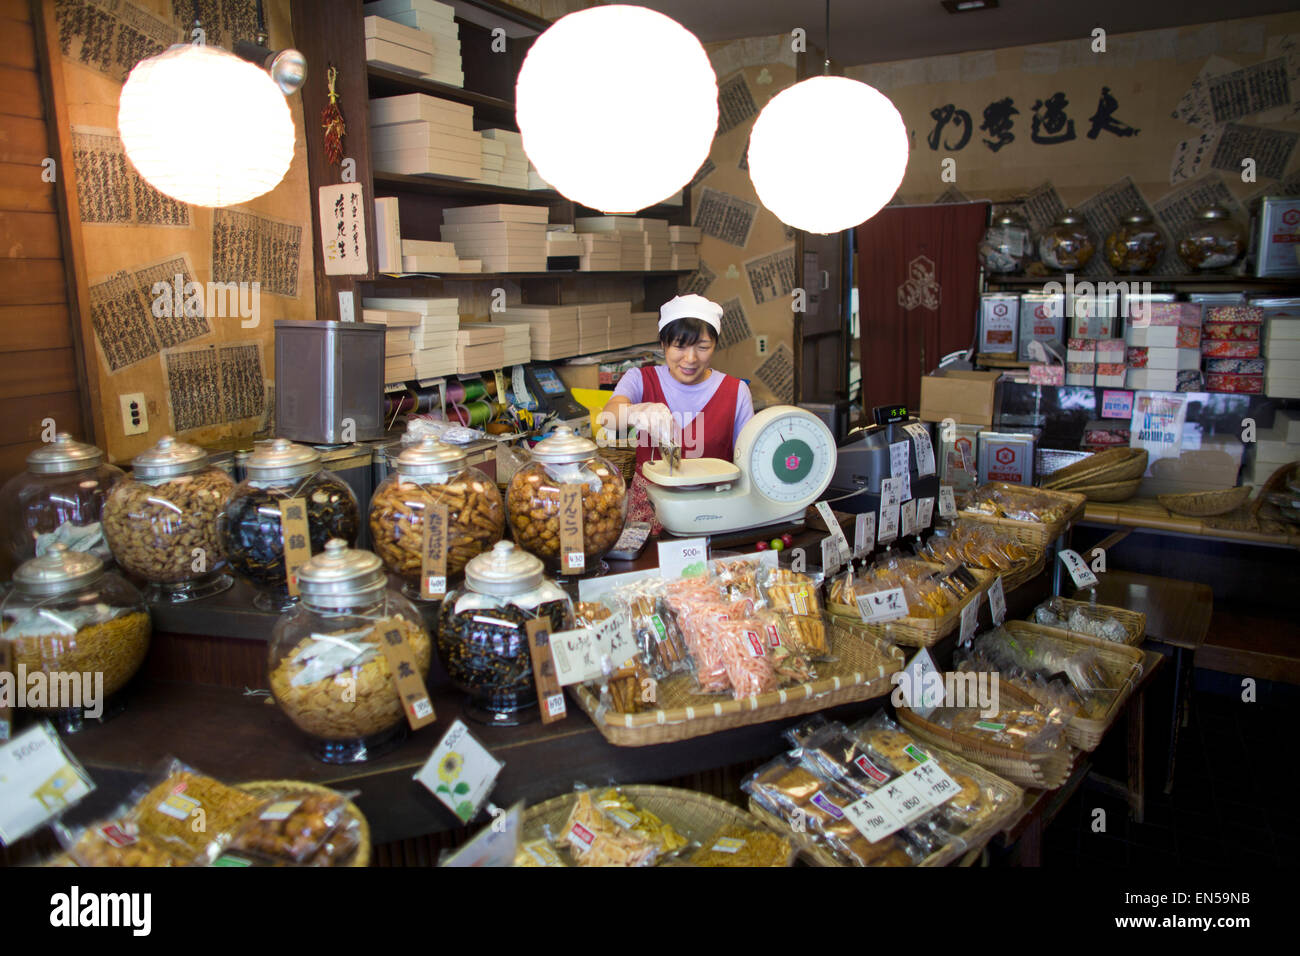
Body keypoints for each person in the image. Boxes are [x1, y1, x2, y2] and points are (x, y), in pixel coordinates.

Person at [601, 294, 755, 531]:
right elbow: (608, 418)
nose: (691, 359)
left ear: (715, 345)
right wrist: (636, 411)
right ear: (663, 345)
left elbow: (749, 463)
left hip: (714, 510)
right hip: (649, 510)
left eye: (703, 347)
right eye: (679, 346)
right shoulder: (641, 380)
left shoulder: (735, 392)